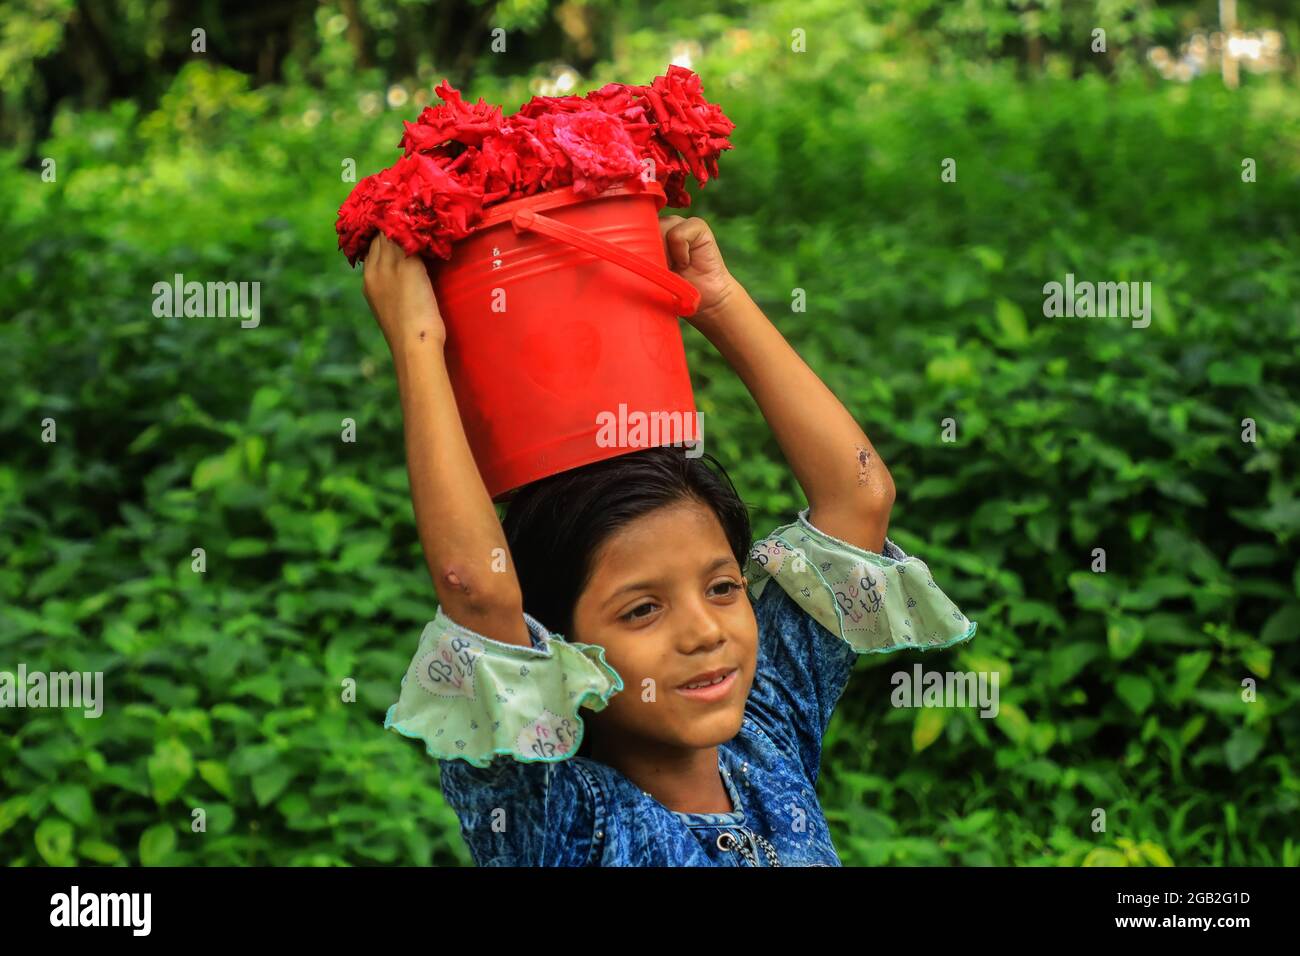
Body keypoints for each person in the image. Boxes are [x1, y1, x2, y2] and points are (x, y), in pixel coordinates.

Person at [362, 215, 976, 866]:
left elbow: (859, 498)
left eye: (721, 588)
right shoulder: (561, 820)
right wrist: (418, 341)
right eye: (642, 609)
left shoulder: (769, 733)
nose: (705, 632)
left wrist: (719, 301)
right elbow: (476, 591)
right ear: (562, 654)